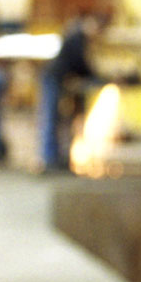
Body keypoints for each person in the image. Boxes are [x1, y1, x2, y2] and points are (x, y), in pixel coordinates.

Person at [39, 11, 96, 170]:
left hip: (58, 79)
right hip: (53, 78)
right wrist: (97, 77)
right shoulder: (77, 37)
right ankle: (49, 159)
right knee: (51, 118)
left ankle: (55, 157)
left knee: (57, 119)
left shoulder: (76, 36)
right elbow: (81, 64)